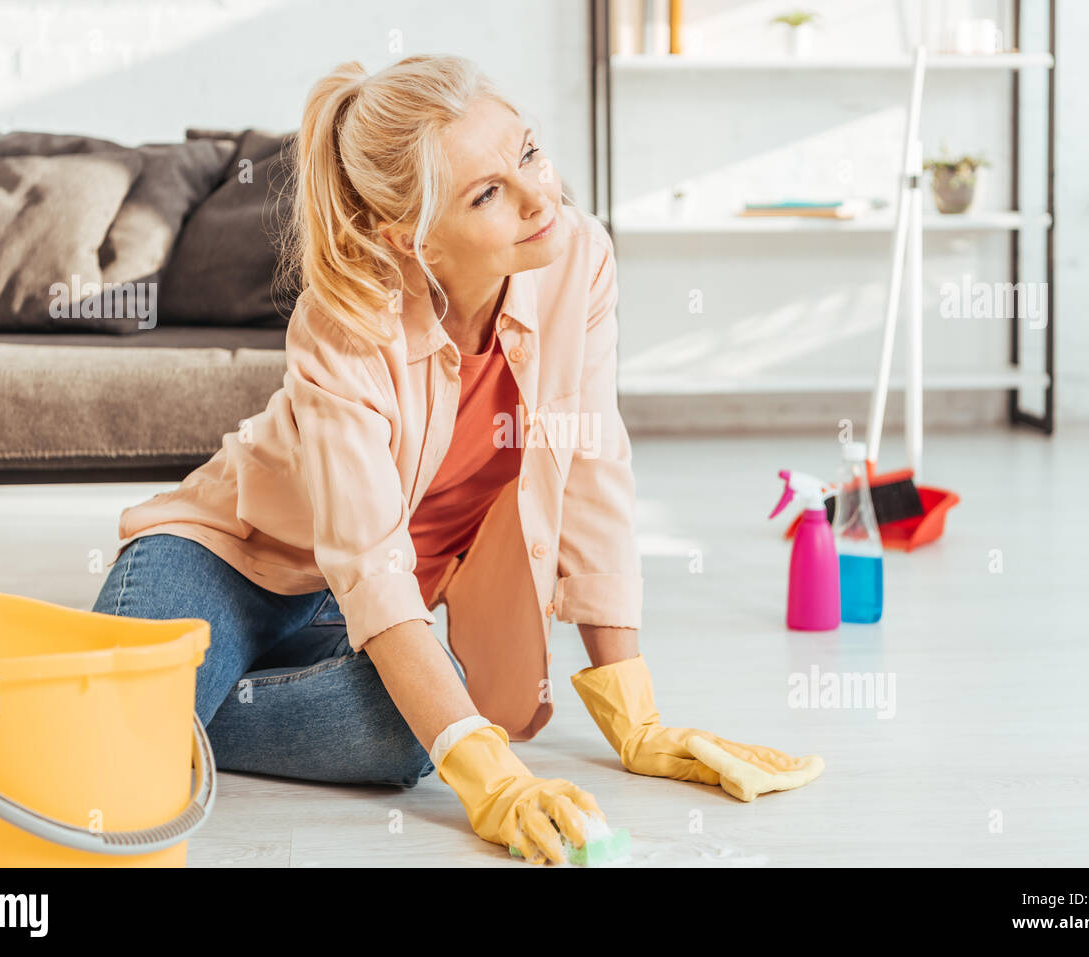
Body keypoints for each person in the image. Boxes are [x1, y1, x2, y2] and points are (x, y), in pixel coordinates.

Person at [93, 54, 822, 865]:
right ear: (410, 237)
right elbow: (368, 561)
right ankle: (151, 696)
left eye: (530, 153)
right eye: (487, 194)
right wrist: (493, 784)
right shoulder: (346, 323)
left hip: (341, 611)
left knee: (419, 737)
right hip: (221, 557)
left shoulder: (578, 260)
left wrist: (636, 717)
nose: (540, 196)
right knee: (121, 750)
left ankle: (166, 694)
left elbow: (592, 472)